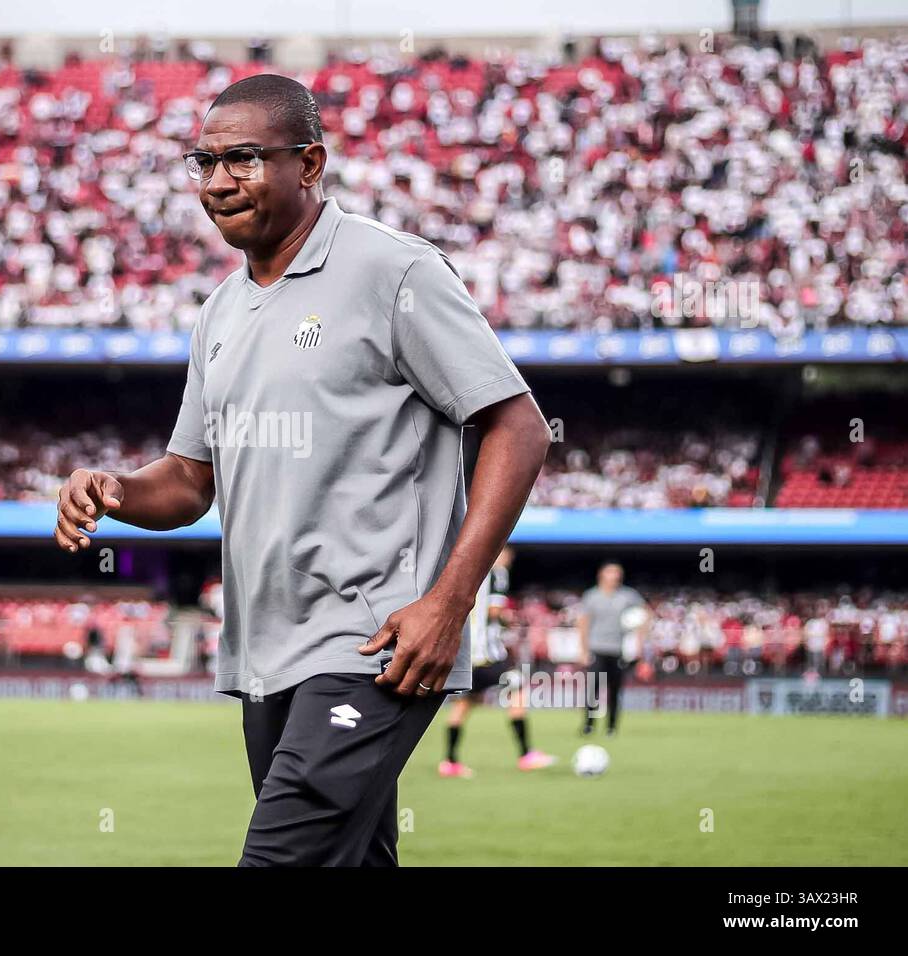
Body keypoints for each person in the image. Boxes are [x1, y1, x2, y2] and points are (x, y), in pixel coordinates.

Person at [55, 74, 549, 866]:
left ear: (310, 163)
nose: (218, 183)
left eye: (244, 159)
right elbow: (189, 480)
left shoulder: (393, 272)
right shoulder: (219, 312)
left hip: (374, 644)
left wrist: (448, 605)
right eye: (205, 162)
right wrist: (113, 490)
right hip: (264, 653)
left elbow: (517, 427)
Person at [439, 547, 556, 776]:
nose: (508, 561)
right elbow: (495, 611)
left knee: (464, 704)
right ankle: (526, 755)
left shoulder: (470, 573)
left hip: (467, 654)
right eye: (506, 555)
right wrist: (509, 619)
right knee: (518, 688)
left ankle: (449, 762)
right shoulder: (497, 573)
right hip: (487, 655)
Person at [577, 562, 649, 737]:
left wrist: (639, 640)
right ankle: (589, 725)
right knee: (593, 690)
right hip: (597, 648)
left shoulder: (628, 595)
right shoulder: (591, 596)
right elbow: (584, 623)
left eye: (617, 574)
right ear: (601, 575)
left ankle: (611, 727)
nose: (615, 577)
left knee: (615, 690)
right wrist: (584, 650)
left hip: (618, 650)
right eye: (611, 573)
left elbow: (645, 614)